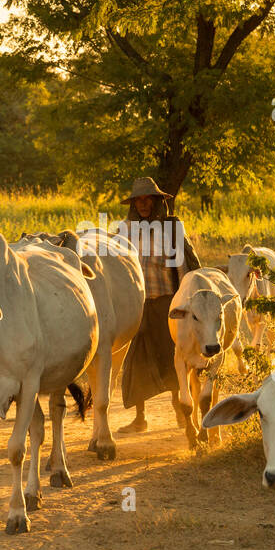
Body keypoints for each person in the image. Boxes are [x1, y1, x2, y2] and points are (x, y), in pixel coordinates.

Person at [116, 176, 201, 434]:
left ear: (156, 202)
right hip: (137, 303)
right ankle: (140, 418)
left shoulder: (172, 228)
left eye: (147, 200)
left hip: (168, 302)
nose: (143, 205)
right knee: (135, 358)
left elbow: (188, 264)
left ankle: (181, 410)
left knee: (173, 356)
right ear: (133, 204)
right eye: (138, 200)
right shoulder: (124, 230)